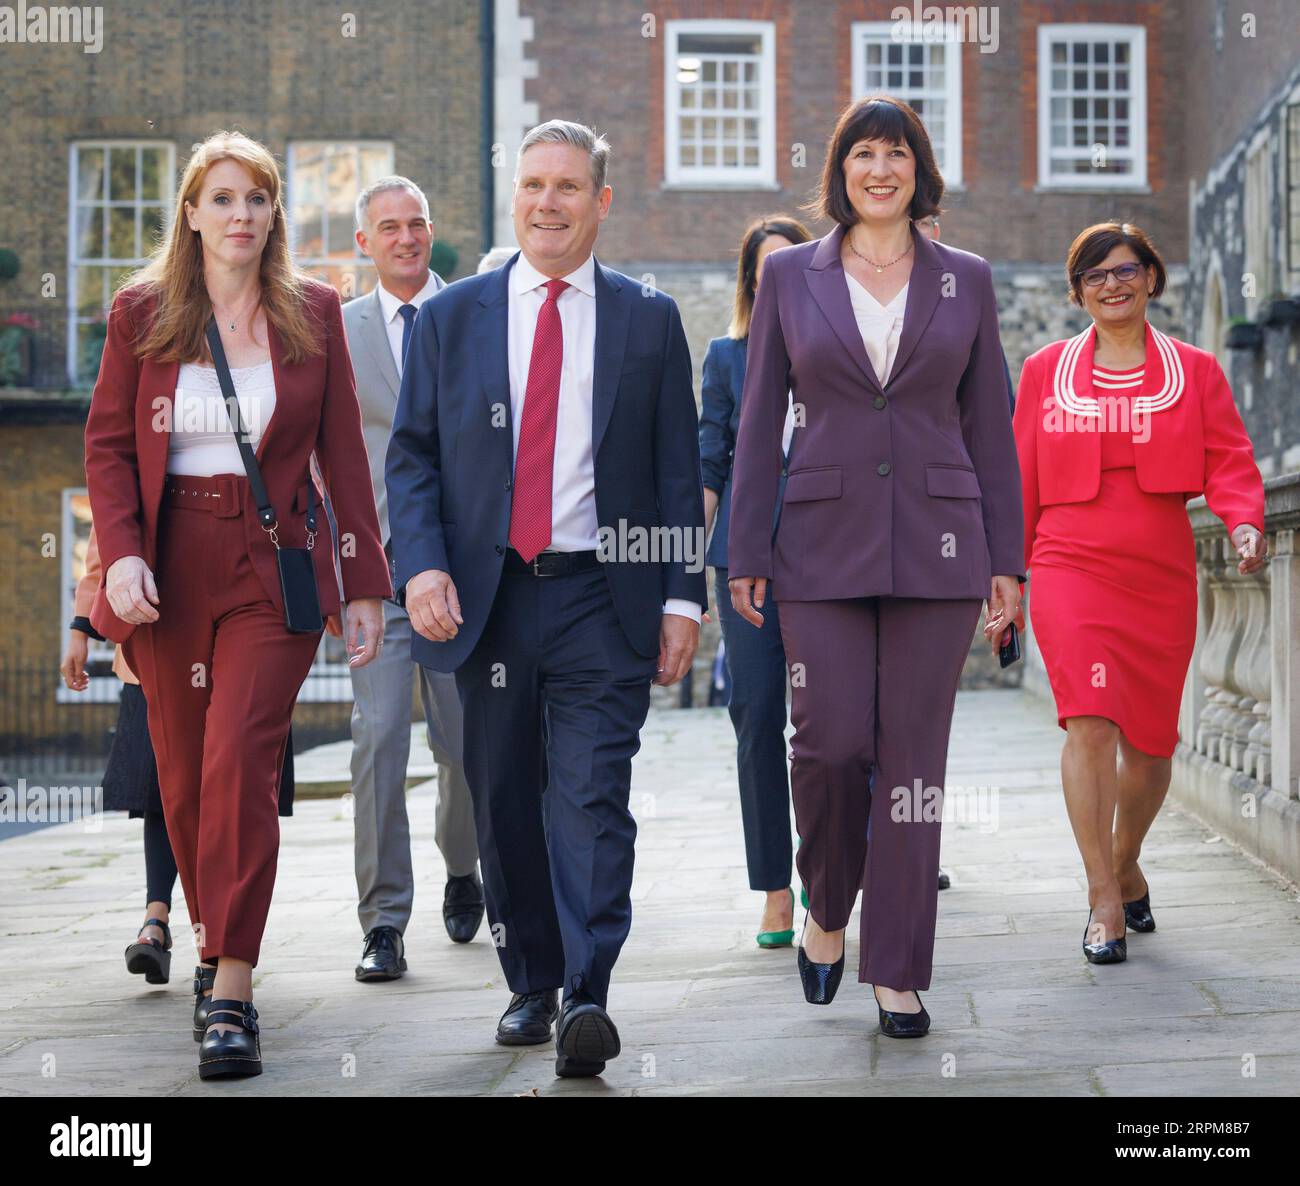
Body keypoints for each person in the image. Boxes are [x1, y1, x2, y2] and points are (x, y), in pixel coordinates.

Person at [386, 119, 706, 1077]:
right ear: (512, 197)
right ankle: (531, 977)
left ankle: (588, 993)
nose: (548, 202)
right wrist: (422, 565)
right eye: (532, 185)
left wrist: (683, 598)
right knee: (504, 798)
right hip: (487, 599)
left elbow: (674, 468)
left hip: (604, 599)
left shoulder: (648, 320)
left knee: (592, 795)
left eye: (568, 186)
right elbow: (412, 458)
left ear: (600, 202)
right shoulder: (454, 319)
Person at [83, 130, 389, 1079]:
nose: (241, 216)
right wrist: (122, 559)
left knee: (242, 761)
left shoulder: (315, 312)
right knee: (180, 778)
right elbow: (105, 448)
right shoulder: (143, 313)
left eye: (256, 199)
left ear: (274, 216)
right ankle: (213, 932)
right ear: (191, 213)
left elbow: (344, 456)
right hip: (170, 563)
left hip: (272, 563)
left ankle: (234, 988)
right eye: (222, 199)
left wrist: (365, 581)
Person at [727, 96, 1023, 1038]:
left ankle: (897, 968)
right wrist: (745, 546)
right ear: (841, 171)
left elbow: (991, 430)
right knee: (829, 747)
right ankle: (825, 909)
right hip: (817, 547)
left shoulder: (966, 280)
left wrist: (1005, 560)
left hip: (941, 548)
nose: (880, 169)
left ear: (918, 169)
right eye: (863, 153)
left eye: (896, 153)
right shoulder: (789, 277)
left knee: (912, 767)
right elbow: (758, 419)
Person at [1012, 221, 1266, 964]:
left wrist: (1245, 523)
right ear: (1077, 292)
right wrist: (1007, 577)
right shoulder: (1042, 373)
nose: (1112, 284)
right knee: (1088, 721)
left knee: (1152, 746)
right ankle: (1101, 899)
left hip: (1158, 569)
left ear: (1152, 278)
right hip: (1068, 562)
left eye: (1126, 270)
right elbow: (1019, 479)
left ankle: (1126, 864)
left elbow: (1230, 460)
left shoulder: (1196, 371)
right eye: (1094, 275)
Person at [342, 176, 483, 983]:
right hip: (377, 579)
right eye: (388, 227)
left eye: (417, 224)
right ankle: (384, 920)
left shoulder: (470, 314)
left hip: (459, 579)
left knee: (463, 749)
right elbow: (327, 458)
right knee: (379, 743)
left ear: (432, 233)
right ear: (365, 243)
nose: (404, 238)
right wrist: (340, 573)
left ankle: (462, 865)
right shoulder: (338, 328)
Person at [63, 525, 297, 987]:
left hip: (239, 640)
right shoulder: (135, 460)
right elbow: (105, 543)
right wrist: (80, 629)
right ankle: (157, 916)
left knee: (228, 788)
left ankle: (214, 947)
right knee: (161, 790)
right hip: (153, 642)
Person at [700, 214, 811, 948]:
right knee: (756, 718)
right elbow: (709, 461)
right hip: (744, 559)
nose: (774, 282)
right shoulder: (725, 356)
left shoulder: (838, 353)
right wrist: (681, 574)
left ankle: (833, 873)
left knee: (833, 727)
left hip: (832, 556)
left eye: (789, 268)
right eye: (761, 270)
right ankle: (775, 887)